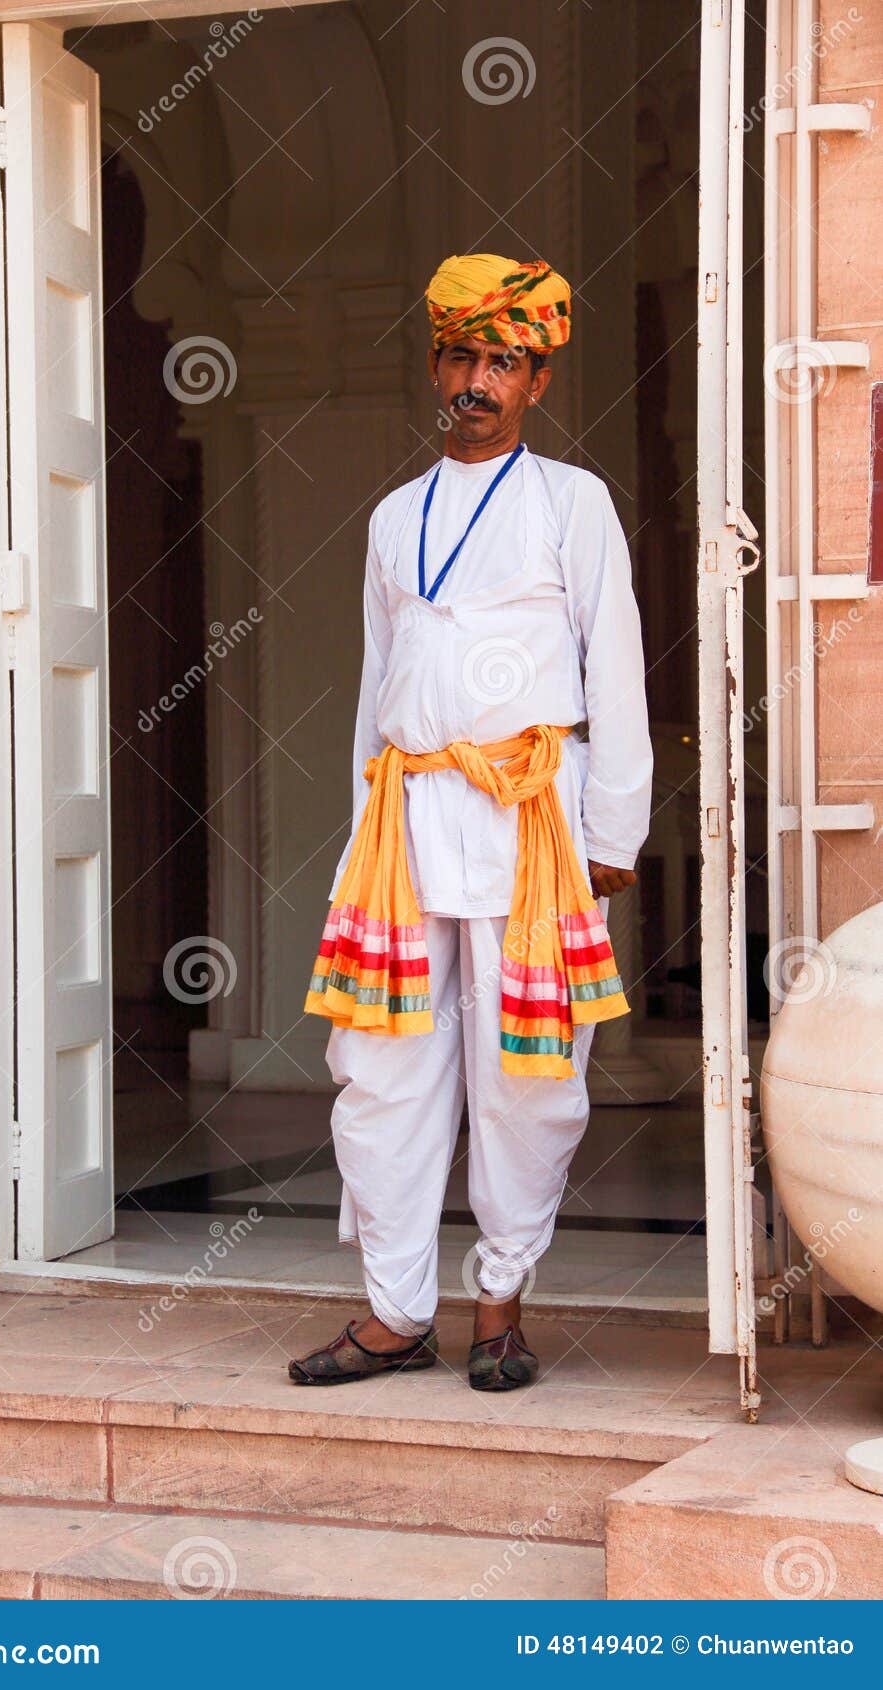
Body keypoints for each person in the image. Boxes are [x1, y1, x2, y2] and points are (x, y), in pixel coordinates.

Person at [289, 253, 653, 1392]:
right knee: (380, 1070)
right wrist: (362, 828)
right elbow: (374, 682)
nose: (476, 379)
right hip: (403, 823)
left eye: (503, 360)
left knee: (527, 1071)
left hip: (531, 825)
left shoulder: (571, 501)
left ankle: (497, 1304)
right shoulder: (393, 517)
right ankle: (396, 1315)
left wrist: (613, 833)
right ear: (434, 362)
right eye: (459, 354)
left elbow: (618, 668)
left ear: (534, 381)